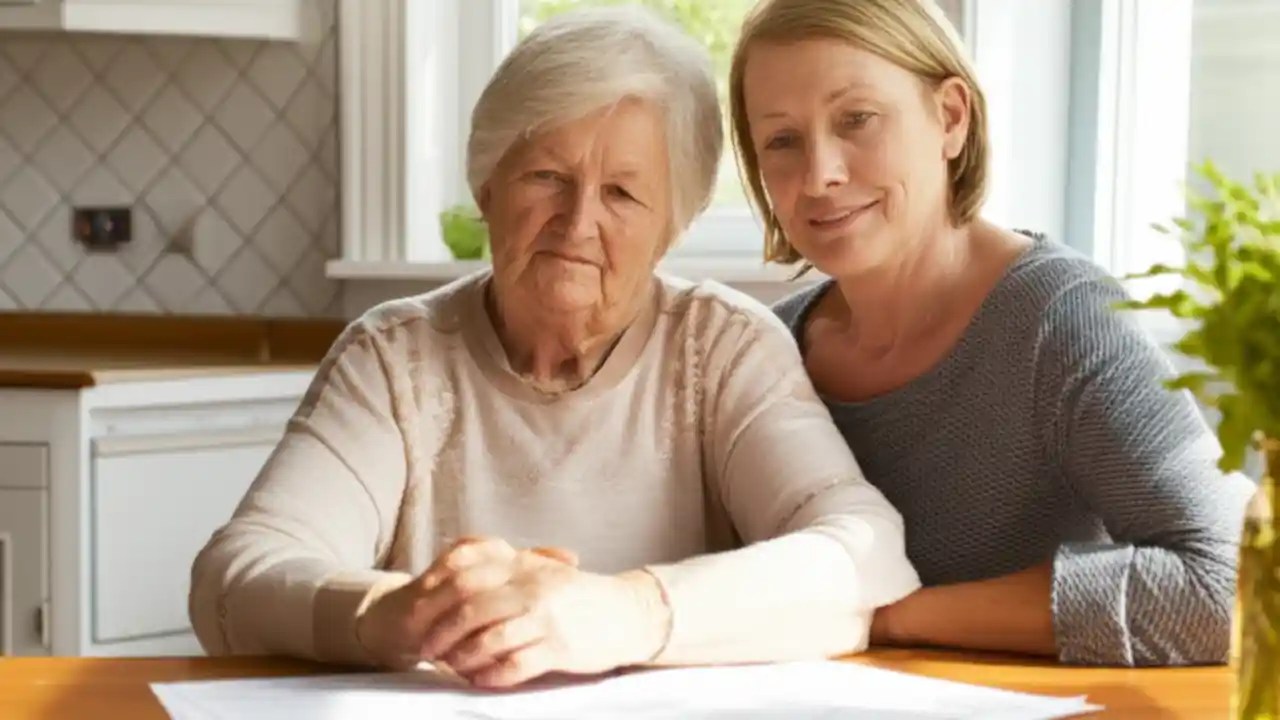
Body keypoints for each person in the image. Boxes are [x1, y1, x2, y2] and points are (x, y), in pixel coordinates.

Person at [189, 6, 920, 688]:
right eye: (546, 177)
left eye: (623, 195)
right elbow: (231, 580)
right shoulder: (395, 356)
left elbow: (866, 555)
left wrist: (623, 611)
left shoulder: (721, 348)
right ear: (487, 188)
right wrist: (391, 613)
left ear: (674, 226)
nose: (577, 224)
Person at [729, 0, 1257, 667]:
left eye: (856, 119)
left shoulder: (1063, 320)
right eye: (781, 140)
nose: (820, 174)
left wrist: (884, 617)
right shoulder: (765, 349)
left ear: (950, 117)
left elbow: (1232, 582)